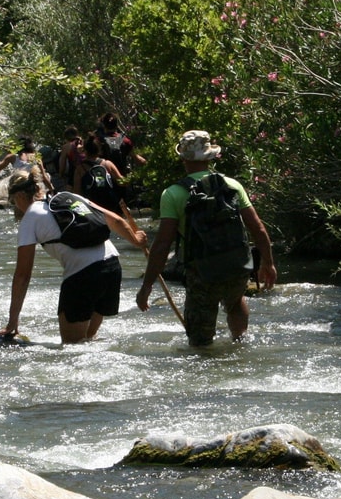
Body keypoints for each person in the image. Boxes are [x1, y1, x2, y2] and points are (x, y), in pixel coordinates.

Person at [135, 130, 277, 345]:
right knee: (235, 301)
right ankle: (240, 344)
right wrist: (268, 263)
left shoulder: (172, 194)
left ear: (183, 158)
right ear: (210, 156)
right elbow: (258, 229)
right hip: (237, 265)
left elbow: (163, 244)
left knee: (200, 342)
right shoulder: (232, 185)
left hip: (202, 272)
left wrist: (147, 285)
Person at [0, 170, 146, 343]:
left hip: (84, 275)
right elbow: (115, 220)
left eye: (14, 201)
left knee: (71, 350)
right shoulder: (68, 196)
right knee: (88, 342)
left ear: (20, 195)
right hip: (112, 266)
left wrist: (12, 322)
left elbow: (23, 275)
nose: (16, 207)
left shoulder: (30, 216)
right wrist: (136, 240)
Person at [74, 135, 128, 215]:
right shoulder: (107, 164)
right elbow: (122, 182)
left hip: (93, 207)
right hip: (110, 206)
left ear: (85, 150)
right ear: (99, 149)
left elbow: (77, 192)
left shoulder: (80, 169)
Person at [96, 113, 146, 178]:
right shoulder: (125, 141)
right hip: (122, 179)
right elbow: (137, 158)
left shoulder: (98, 142)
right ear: (116, 125)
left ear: (104, 125)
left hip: (106, 181)